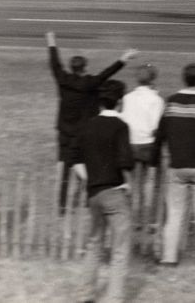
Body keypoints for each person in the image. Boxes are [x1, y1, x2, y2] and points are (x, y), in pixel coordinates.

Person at [46, 31, 137, 210]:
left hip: (64, 131)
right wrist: (124, 58)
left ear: (72, 68)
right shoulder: (90, 83)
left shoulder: (63, 80)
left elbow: (54, 64)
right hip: (83, 132)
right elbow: (107, 73)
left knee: (64, 167)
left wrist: (51, 44)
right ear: (85, 67)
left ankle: (62, 205)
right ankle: (90, 197)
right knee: (88, 165)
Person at [71, 79, 134, 303]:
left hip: (94, 193)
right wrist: (128, 185)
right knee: (120, 247)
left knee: (94, 244)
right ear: (119, 102)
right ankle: (114, 297)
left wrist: (91, 178)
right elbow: (125, 161)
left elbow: (75, 160)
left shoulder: (87, 125)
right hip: (115, 191)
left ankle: (84, 294)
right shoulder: (121, 126)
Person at [153, 63, 195, 266]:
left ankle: (169, 257)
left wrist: (154, 159)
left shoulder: (171, 103)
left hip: (177, 166)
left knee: (174, 214)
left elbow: (160, 135)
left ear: (184, 78)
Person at [120, 63, 164, 230]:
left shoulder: (127, 98)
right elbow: (155, 126)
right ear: (152, 79)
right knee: (150, 183)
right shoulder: (156, 100)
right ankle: (149, 218)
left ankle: (134, 218)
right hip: (148, 144)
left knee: (133, 183)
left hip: (131, 143)